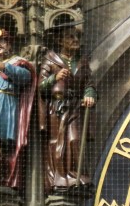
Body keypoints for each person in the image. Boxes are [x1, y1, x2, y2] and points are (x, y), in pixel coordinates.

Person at [39, 22, 96, 193]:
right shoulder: (51, 59)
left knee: (75, 139)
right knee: (59, 142)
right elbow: (41, 86)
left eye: (77, 36)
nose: (75, 40)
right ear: (60, 41)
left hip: (75, 107)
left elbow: (89, 83)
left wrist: (89, 95)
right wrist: (54, 78)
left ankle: (76, 176)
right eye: (70, 36)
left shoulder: (82, 63)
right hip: (57, 108)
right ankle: (60, 178)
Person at [0, 28, 35, 190]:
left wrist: (4, 67)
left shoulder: (17, 61)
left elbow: (26, 77)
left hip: (6, 105)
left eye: (3, 42)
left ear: (10, 44)